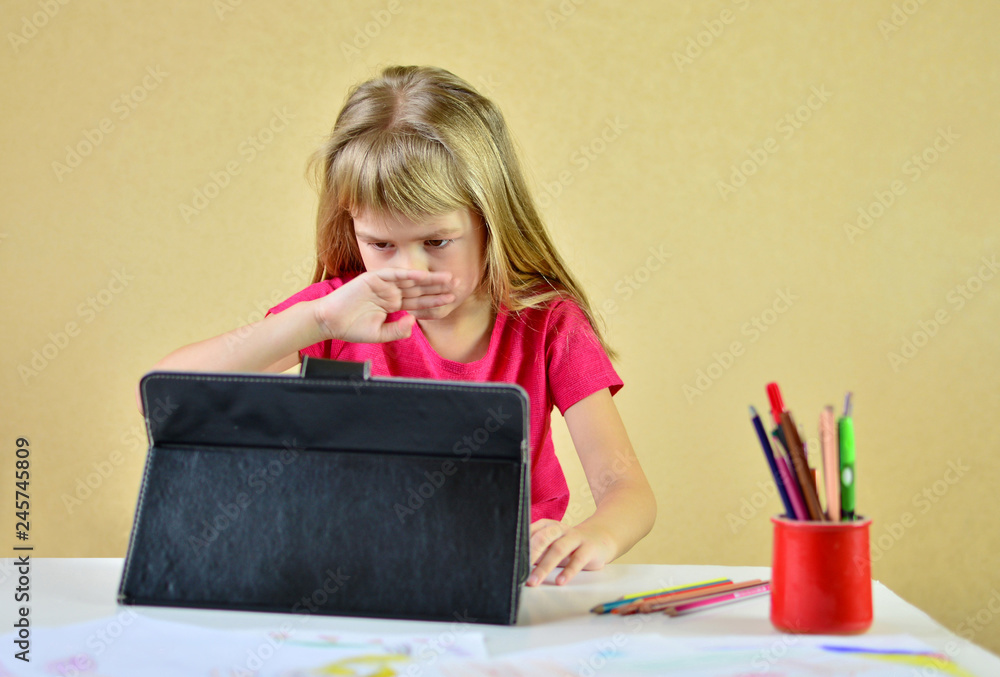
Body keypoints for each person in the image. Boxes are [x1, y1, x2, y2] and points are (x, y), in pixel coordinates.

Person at [147, 65, 656, 587]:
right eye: (381, 244)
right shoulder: (336, 311)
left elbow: (628, 491)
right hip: (354, 583)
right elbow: (169, 393)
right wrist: (317, 320)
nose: (408, 271)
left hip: (499, 582)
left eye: (436, 242)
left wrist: (596, 535)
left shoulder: (549, 323)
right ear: (352, 226)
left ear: (489, 219)